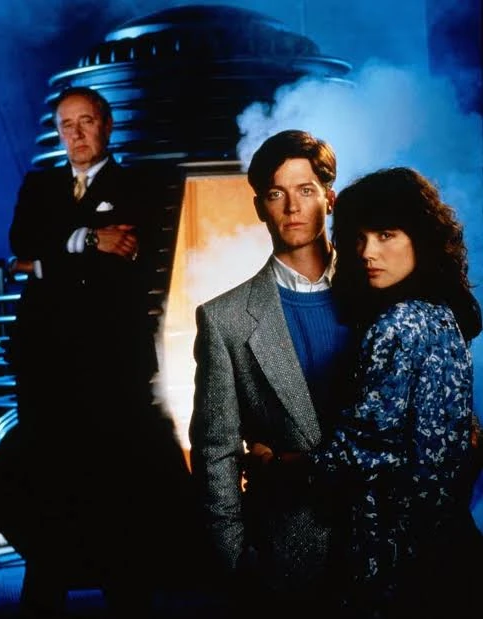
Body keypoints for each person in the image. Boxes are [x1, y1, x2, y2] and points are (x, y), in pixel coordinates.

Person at [245, 166, 483, 618]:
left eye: (386, 235)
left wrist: (275, 465)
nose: (367, 252)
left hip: (396, 557)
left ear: (420, 237)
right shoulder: (444, 314)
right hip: (450, 545)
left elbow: (358, 455)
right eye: (359, 237)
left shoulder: (396, 324)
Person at [0, 86, 193, 619]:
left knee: (113, 483)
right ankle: (46, 589)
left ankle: (124, 592)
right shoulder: (39, 184)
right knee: (48, 479)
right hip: (44, 366)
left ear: (107, 124)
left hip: (110, 367)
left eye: (86, 121)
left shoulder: (138, 185)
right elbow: (21, 244)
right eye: (67, 124)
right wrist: (86, 240)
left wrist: (43, 263)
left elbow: (119, 259)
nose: (77, 134)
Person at [188, 130, 352, 615]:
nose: (292, 207)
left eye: (305, 190)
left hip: (387, 547)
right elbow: (215, 450)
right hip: (287, 558)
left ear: (329, 198)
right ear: (260, 207)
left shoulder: (379, 295)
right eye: (277, 194)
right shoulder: (225, 318)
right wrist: (236, 560)